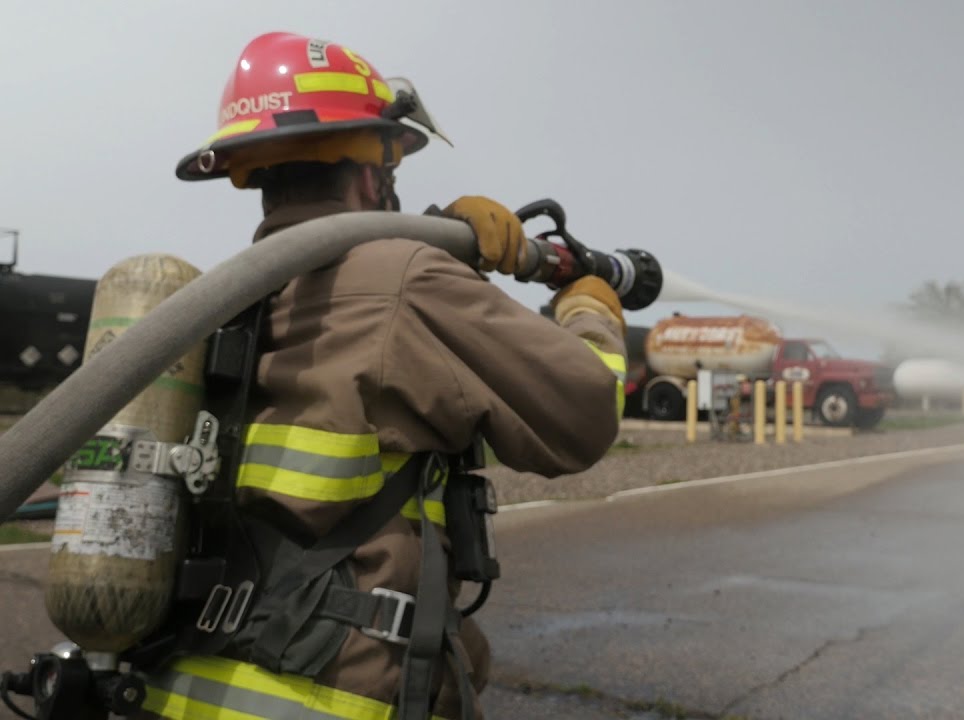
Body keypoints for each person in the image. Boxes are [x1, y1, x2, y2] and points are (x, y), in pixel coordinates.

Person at [136, 31, 628, 720]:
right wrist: (590, 310)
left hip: (183, 686)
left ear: (255, 172)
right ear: (374, 167)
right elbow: (582, 417)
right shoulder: (404, 279)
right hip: (330, 699)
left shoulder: (230, 297)